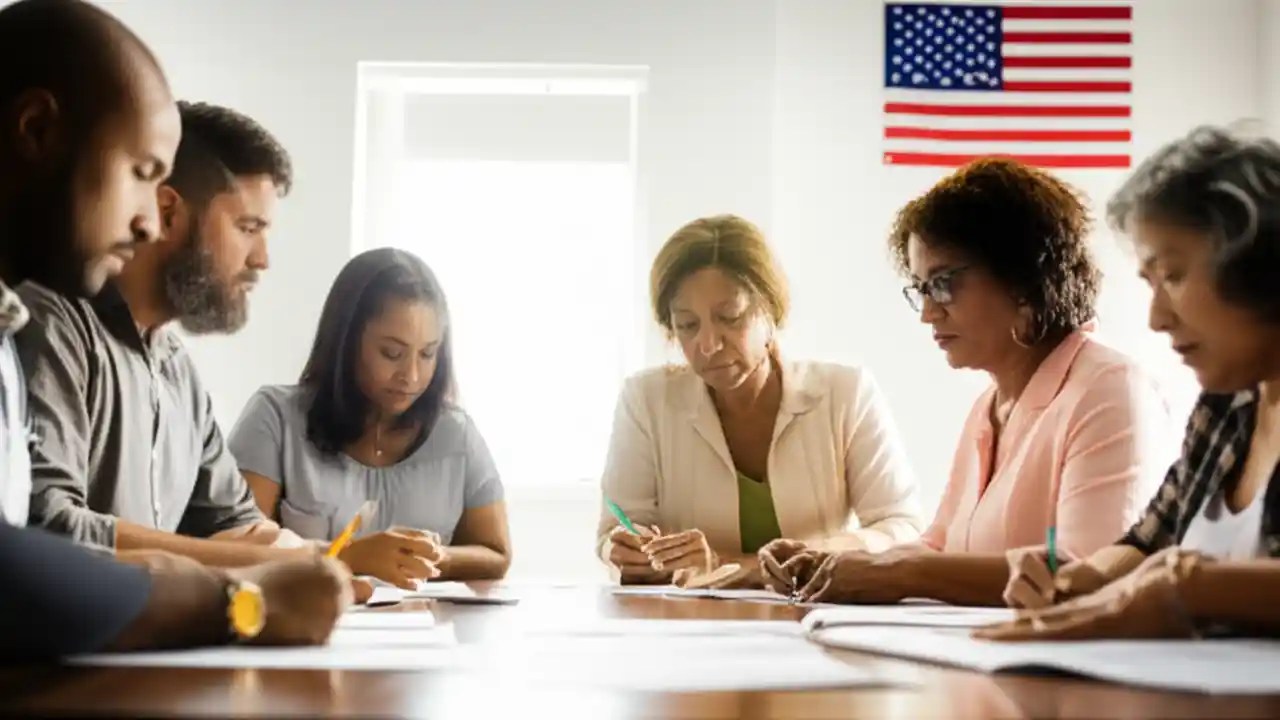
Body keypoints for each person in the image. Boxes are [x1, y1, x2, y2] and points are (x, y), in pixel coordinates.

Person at [0, 0, 347, 659]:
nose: (145, 224)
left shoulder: (164, 364)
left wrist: (285, 564)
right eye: (140, 174)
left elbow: (238, 528)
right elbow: (31, 546)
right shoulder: (45, 322)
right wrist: (241, 596)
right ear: (37, 130)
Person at [767, 158, 1177, 605]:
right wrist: (826, 560)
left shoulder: (1111, 390)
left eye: (943, 284)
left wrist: (906, 572)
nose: (928, 312)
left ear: (1023, 279)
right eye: (921, 289)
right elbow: (938, 546)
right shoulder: (988, 406)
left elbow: (1085, 570)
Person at [979, 127, 1280, 641]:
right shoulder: (1226, 406)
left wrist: (1190, 589)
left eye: (1175, 276)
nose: (1157, 318)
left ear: (1264, 267)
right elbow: (1148, 540)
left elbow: (1175, 579)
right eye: (1150, 282)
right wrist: (1081, 581)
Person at [19, 100, 311, 565]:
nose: (262, 260)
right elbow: (46, 524)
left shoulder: (178, 371)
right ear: (168, 212)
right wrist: (226, 557)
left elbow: (238, 527)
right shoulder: (54, 325)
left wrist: (320, 556)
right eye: (247, 228)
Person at [597, 214, 923, 587]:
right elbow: (616, 527)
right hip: (690, 626)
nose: (708, 345)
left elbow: (902, 527)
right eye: (687, 325)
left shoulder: (846, 393)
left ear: (771, 311)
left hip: (816, 618)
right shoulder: (645, 400)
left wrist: (745, 565)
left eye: (730, 317)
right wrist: (627, 550)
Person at [229, 248, 511, 585]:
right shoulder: (274, 418)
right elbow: (234, 551)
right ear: (345, 340)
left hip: (423, 633)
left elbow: (496, 553)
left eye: (427, 354)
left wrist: (429, 557)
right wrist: (348, 557)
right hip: (307, 629)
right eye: (391, 353)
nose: (412, 376)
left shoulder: (456, 432)